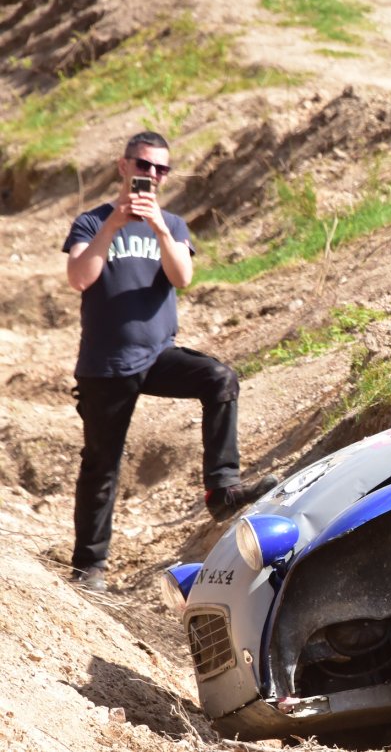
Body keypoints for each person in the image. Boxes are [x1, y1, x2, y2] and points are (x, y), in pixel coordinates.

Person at [63, 131, 276, 592]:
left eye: (161, 169)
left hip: (158, 355)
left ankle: (222, 489)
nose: (152, 176)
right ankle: (89, 568)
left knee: (218, 378)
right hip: (104, 365)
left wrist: (158, 228)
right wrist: (112, 227)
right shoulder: (90, 222)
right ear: (124, 167)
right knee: (102, 464)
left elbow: (183, 276)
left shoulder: (173, 224)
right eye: (144, 166)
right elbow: (80, 278)